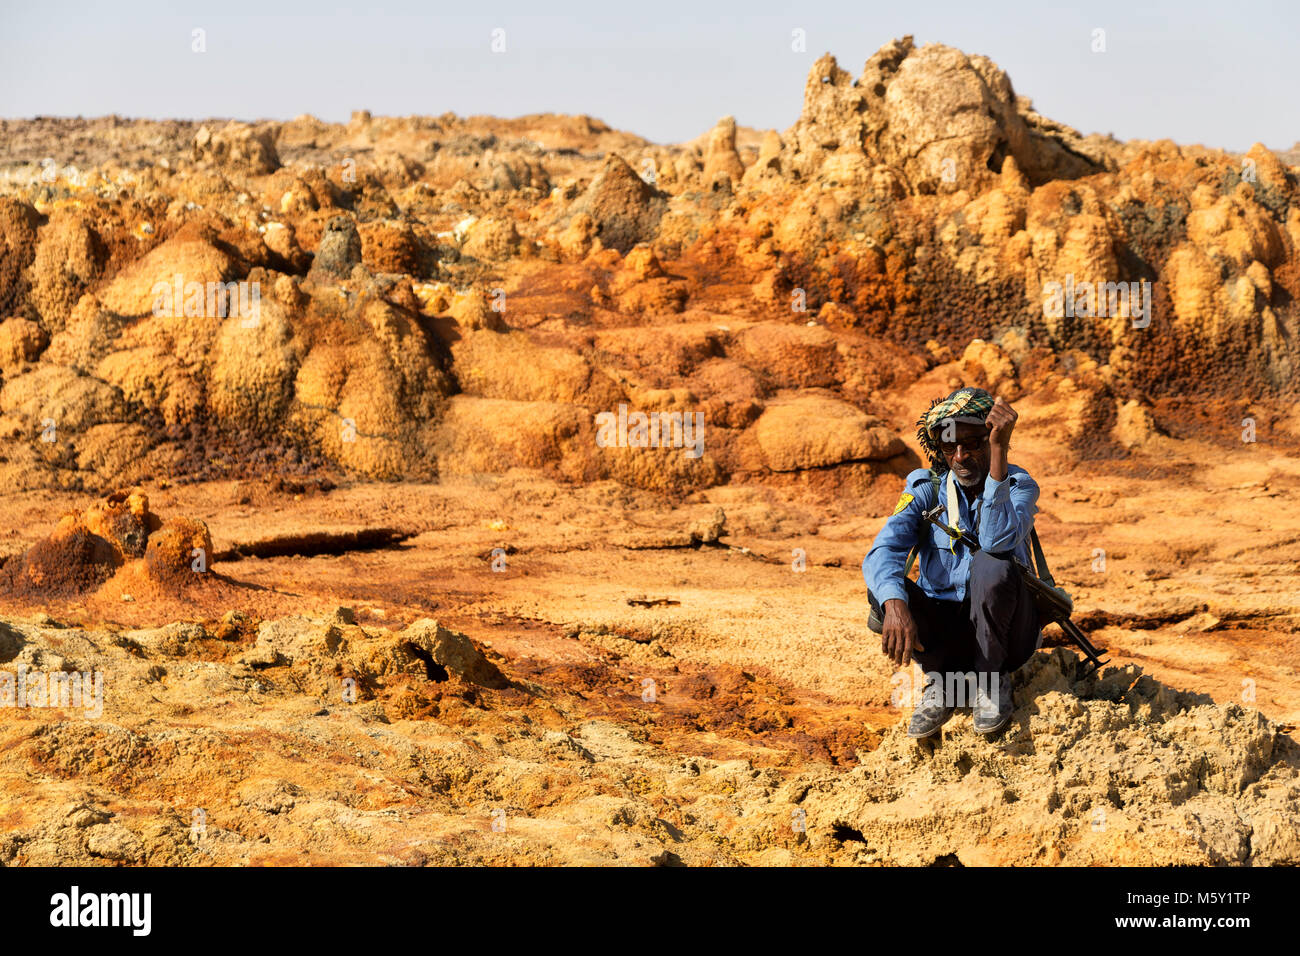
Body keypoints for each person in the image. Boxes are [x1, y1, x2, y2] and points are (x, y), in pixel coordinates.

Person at [862, 386, 1042, 738]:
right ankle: (943, 682)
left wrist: (997, 459)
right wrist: (895, 604)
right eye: (949, 447)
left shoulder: (1018, 485)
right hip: (946, 635)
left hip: (1007, 636)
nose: (960, 456)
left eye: (973, 443)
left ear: (992, 441)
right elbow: (883, 551)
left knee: (993, 565)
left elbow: (997, 542)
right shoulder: (926, 488)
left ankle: (990, 680)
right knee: (883, 591)